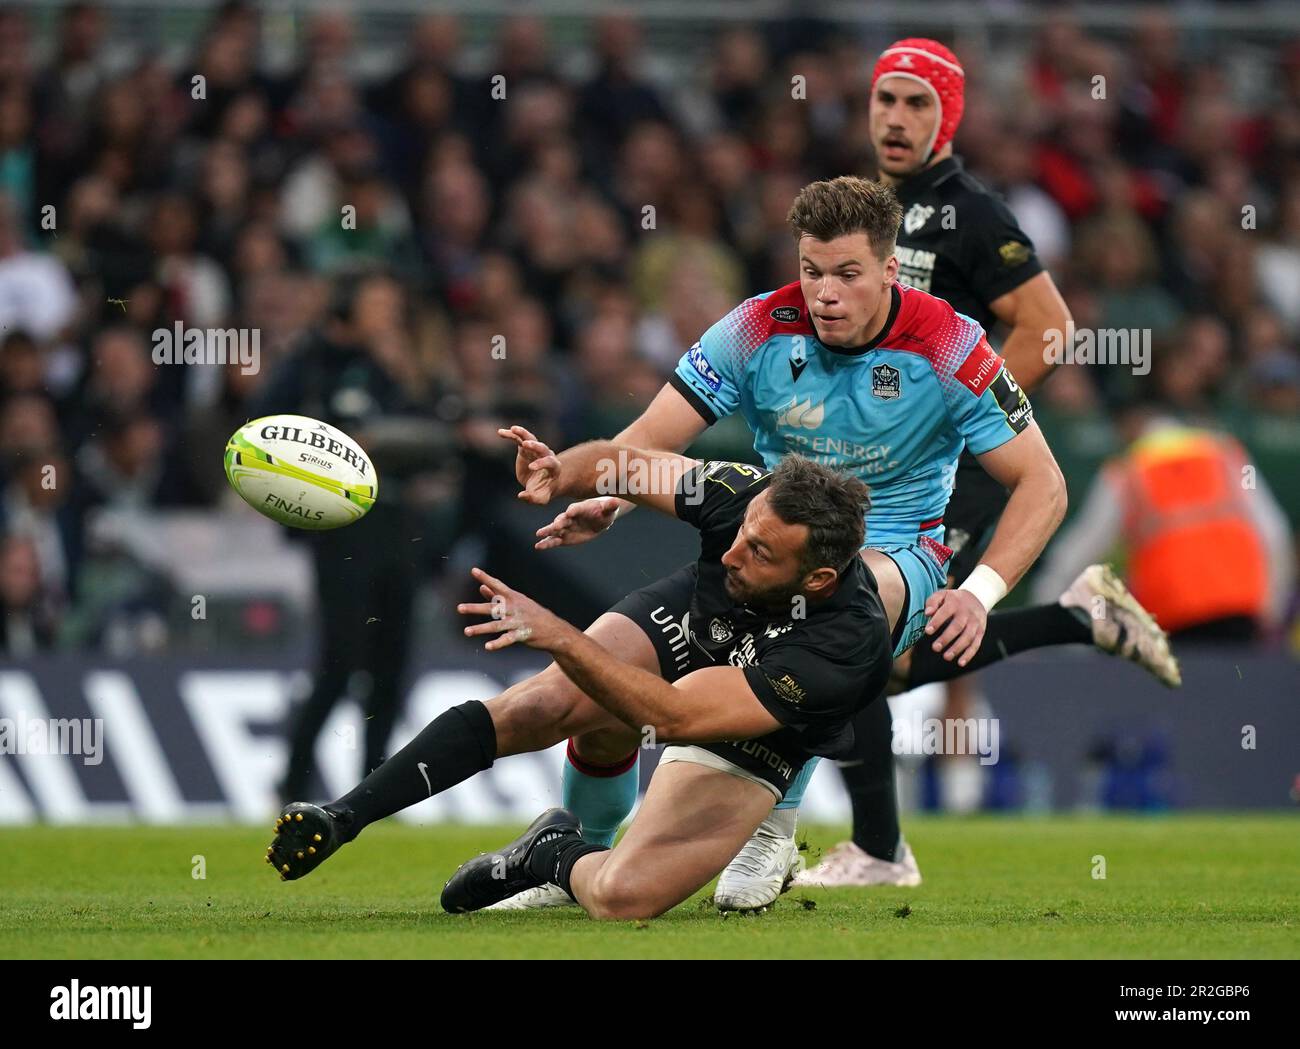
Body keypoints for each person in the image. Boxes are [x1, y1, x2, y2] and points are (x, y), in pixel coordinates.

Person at [498, 172, 1174, 913]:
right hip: (781, 534)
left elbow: (1044, 483)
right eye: (811, 270)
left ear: (889, 268)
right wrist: (611, 497)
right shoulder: (758, 324)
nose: (824, 291)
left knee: (851, 607)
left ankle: (778, 812)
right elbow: (650, 440)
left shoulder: (950, 341)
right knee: (861, 662)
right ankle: (647, 837)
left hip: (901, 554)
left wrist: (980, 593)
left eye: (846, 273)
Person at [266, 443, 893, 913]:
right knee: (542, 704)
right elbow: (621, 464)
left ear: (817, 581)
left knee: (625, 897)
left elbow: (675, 717)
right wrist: (560, 472)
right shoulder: (739, 496)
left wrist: (559, 634)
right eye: (744, 532)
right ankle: (341, 818)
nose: (733, 550)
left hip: (753, 716)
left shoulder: (842, 647)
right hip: (701, 616)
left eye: (760, 552)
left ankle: (551, 854)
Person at [801, 36, 1087, 887]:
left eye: (917, 103)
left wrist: (962, 419)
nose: (895, 118)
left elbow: (1048, 327)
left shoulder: (971, 212)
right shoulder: (866, 208)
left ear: (947, 117)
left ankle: (881, 847)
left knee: (854, 637)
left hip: (944, 469)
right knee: (869, 650)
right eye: (885, 100)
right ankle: (1077, 620)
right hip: (866, 462)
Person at [1032, 404, 1295, 643]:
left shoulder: (1127, 472)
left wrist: (1044, 615)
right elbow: (1275, 536)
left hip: (1173, 619)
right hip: (1240, 615)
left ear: (1129, 425)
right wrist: (1270, 609)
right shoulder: (1225, 456)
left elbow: (1078, 553)